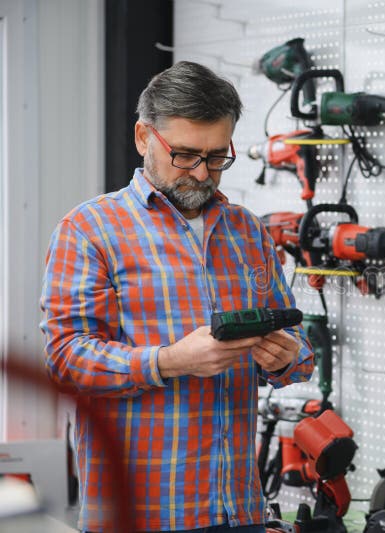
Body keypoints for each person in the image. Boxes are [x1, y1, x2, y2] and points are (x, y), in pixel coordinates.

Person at [39, 61, 314, 532]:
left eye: (216, 157)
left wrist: (285, 357)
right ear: (144, 138)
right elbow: (65, 358)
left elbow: (297, 346)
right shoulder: (90, 230)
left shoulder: (247, 231)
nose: (202, 173)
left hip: (238, 509)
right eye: (185, 155)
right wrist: (168, 361)